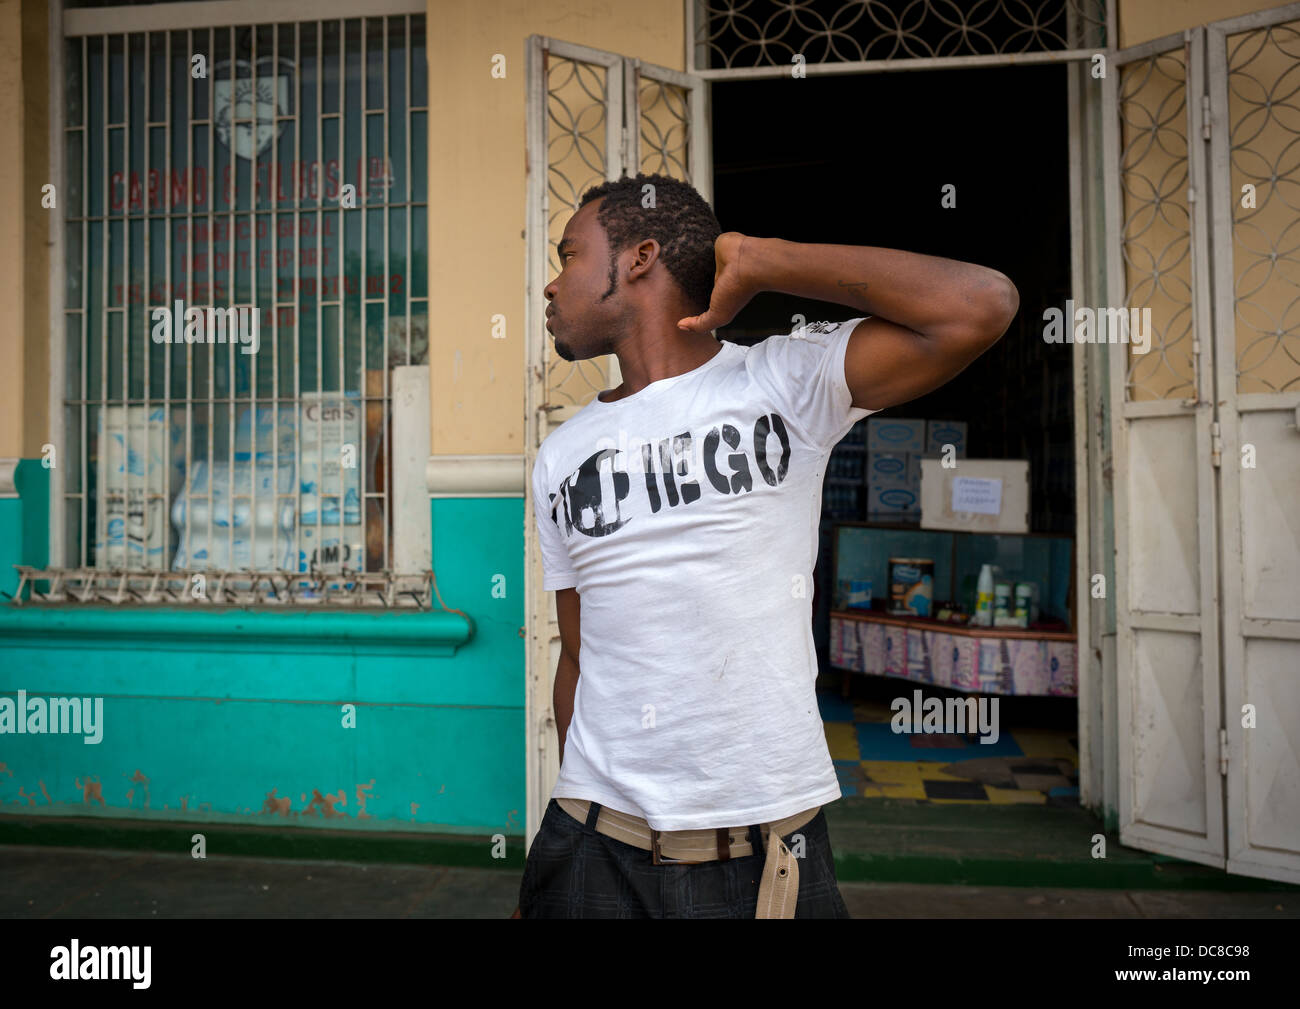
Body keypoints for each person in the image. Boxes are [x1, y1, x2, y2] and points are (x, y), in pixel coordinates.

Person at [513, 172, 1018, 918]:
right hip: (592, 841)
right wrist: (563, 834)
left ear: (641, 256)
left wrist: (763, 260)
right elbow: (580, 653)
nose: (552, 286)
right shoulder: (561, 455)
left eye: (570, 256)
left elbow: (981, 306)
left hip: (761, 853)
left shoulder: (782, 380)